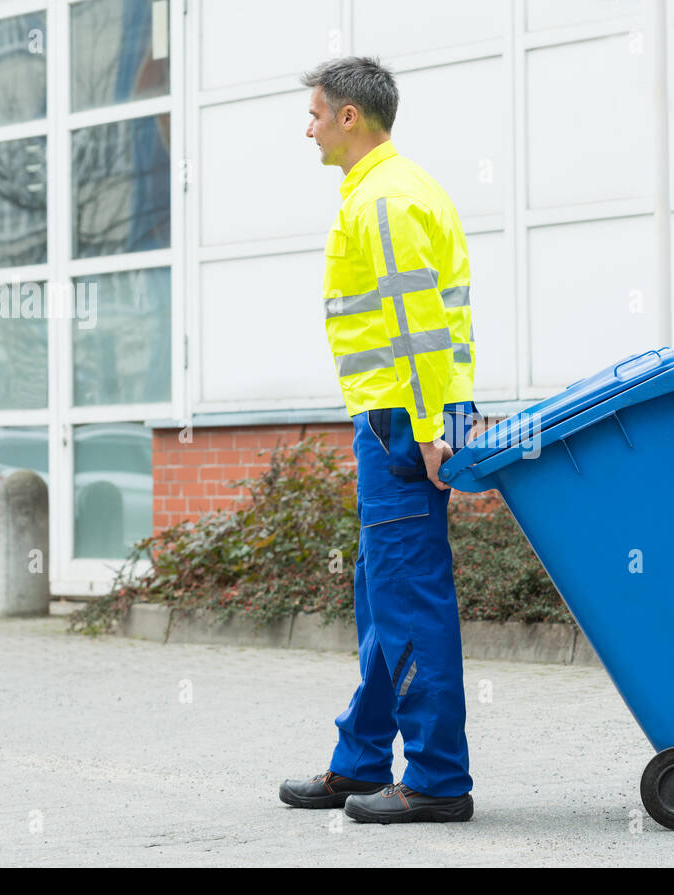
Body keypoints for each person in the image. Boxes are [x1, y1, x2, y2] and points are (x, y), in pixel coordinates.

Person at [279, 56, 484, 824]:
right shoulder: (405, 188)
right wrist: (447, 422)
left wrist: (433, 430)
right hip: (415, 417)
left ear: (349, 118)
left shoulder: (385, 201)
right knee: (382, 592)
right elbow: (444, 325)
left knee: (406, 600)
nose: (309, 127)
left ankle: (436, 778)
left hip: (403, 422)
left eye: (315, 113)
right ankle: (360, 760)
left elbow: (418, 325)